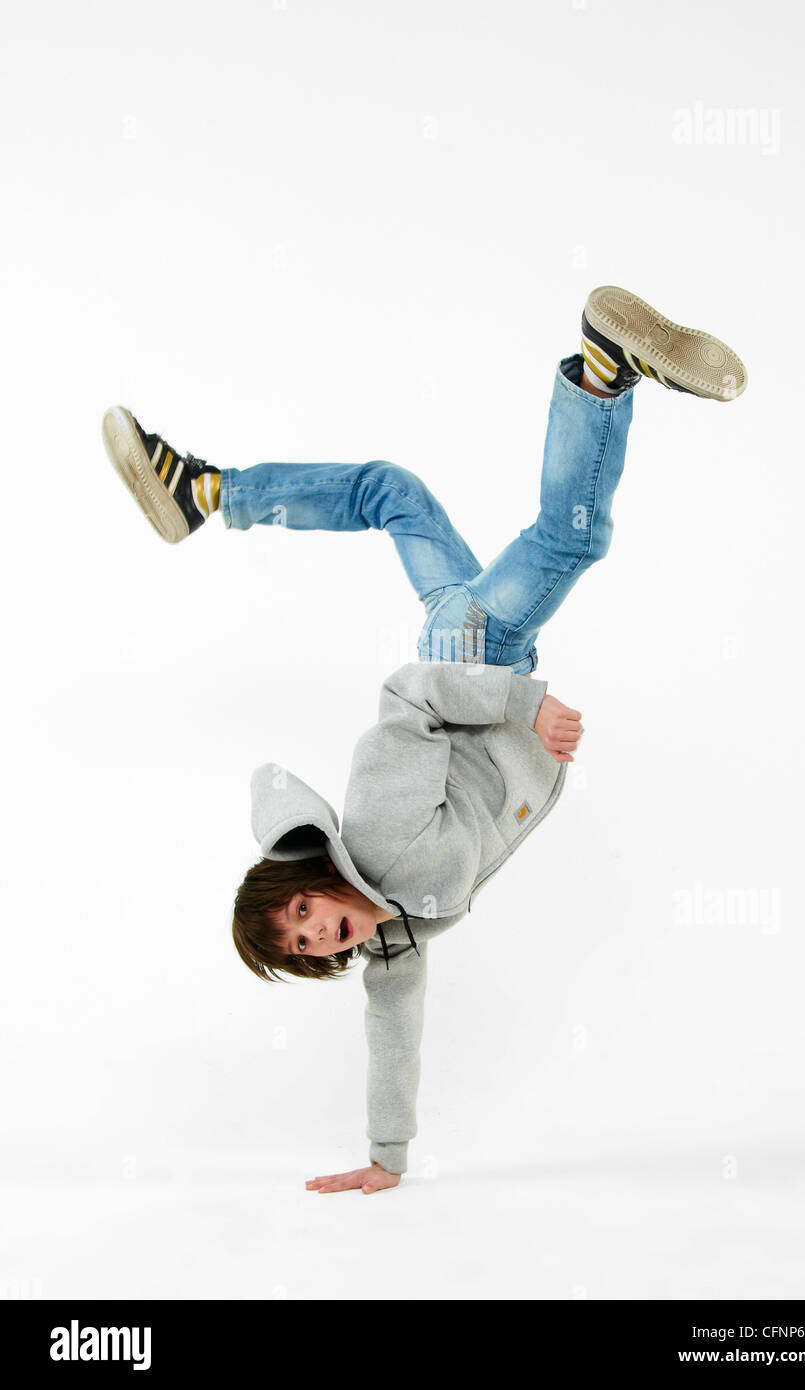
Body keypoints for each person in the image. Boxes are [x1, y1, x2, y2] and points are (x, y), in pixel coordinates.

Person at [102, 285, 747, 1196]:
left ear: (314, 877)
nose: (319, 933)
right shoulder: (394, 941)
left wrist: (522, 707)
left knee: (568, 543)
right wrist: (386, 1159)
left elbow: (410, 696)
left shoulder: (377, 829)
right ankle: (203, 491)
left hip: (470, 658)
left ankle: (601, 374)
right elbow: (392, 1036)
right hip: (470, 646)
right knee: (391, 493)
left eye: (300, 912)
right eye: (307, 947)